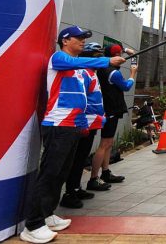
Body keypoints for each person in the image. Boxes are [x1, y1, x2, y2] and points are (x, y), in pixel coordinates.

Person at [20, 26, 124, 244]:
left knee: (61, 173)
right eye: (78, 38)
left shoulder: (78, 69)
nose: (82, 41)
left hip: (73, 126)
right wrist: (107, 60)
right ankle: (33, 225)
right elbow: (76, 63)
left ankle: (47, 214)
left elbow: (84, 99)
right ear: (65, 41)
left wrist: (86, 124)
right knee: (49, 174)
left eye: (84, 38)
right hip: (58, 125)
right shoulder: (59, 58)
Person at [59, 42, 107, 209]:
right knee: (77, 158)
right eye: (96, 56)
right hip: (84, 123)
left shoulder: (92, 73)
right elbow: (82, 99)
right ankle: (69, 192)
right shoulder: (84, 73)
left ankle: (76, 187)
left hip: (92, 122)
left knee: (81, 158)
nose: (99, 60)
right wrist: (83, 123)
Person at [88, 44, 136, 191]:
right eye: (119, 55)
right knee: (104, 144)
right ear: (115, 57)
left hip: (108, 109)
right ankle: (93, 178)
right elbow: (126, 86)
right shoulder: (113, 73)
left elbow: (131, 54)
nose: (121, 58)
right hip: (111, 109)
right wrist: (133, 74)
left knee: (108, 143)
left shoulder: (103, 68)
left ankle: (106, 172)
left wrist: (127, 51)